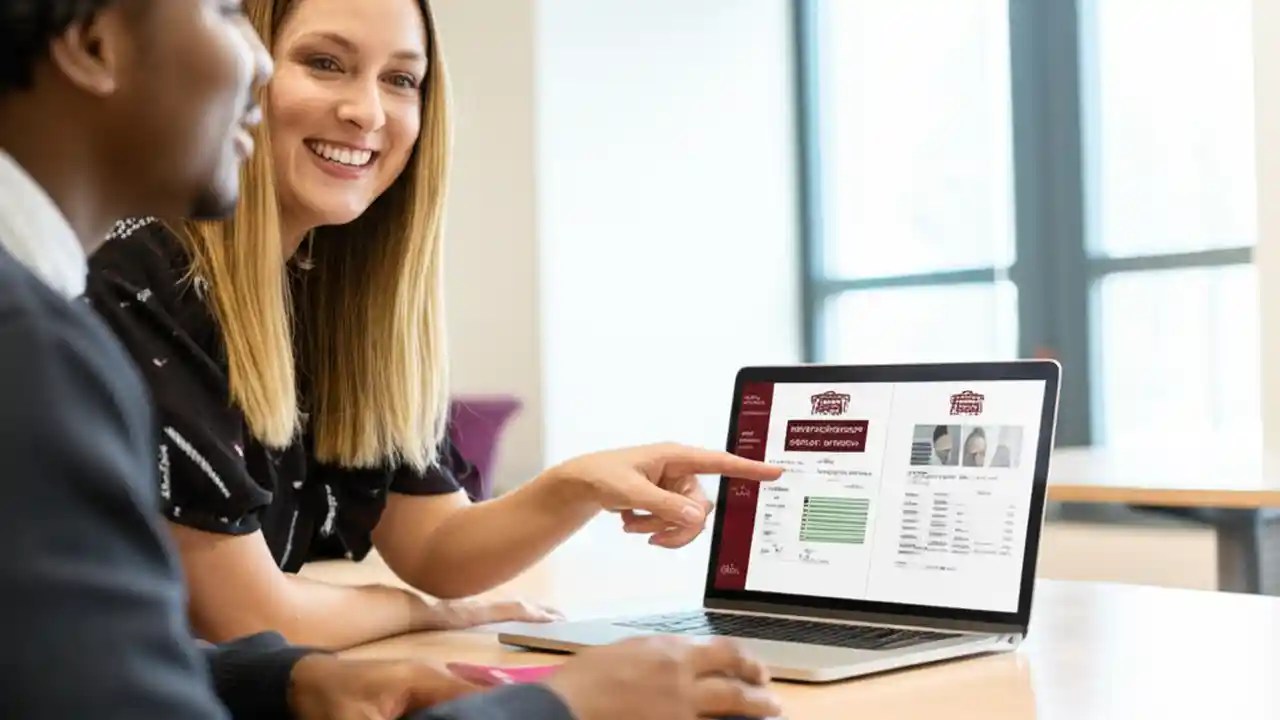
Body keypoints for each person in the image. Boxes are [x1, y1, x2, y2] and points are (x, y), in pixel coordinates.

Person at [0, 1, 784, 719]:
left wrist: (288, 680)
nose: (368, 110)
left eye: (402, 79)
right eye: (324, 62)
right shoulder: (70, 321)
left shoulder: (326, 294)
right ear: (95, 45)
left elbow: (432, 545)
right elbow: (232, 616)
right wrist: (549, 699)